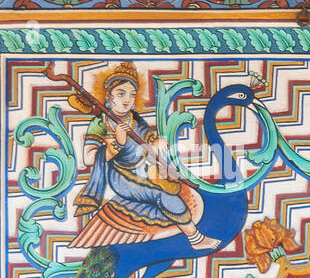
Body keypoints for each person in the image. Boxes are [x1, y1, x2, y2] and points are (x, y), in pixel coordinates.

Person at [73, 61, 220, 252]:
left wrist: (156, 142)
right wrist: (117, 143)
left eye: (132, 95)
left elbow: (148, 138)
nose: (128, 99)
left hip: (145, 168)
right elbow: (88, 158)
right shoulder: (100, 122)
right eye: (121, 93)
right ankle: (195, 238)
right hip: (122, 177)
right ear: (109, 96)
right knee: (165, 196)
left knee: (179, 187)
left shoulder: (134, 118)